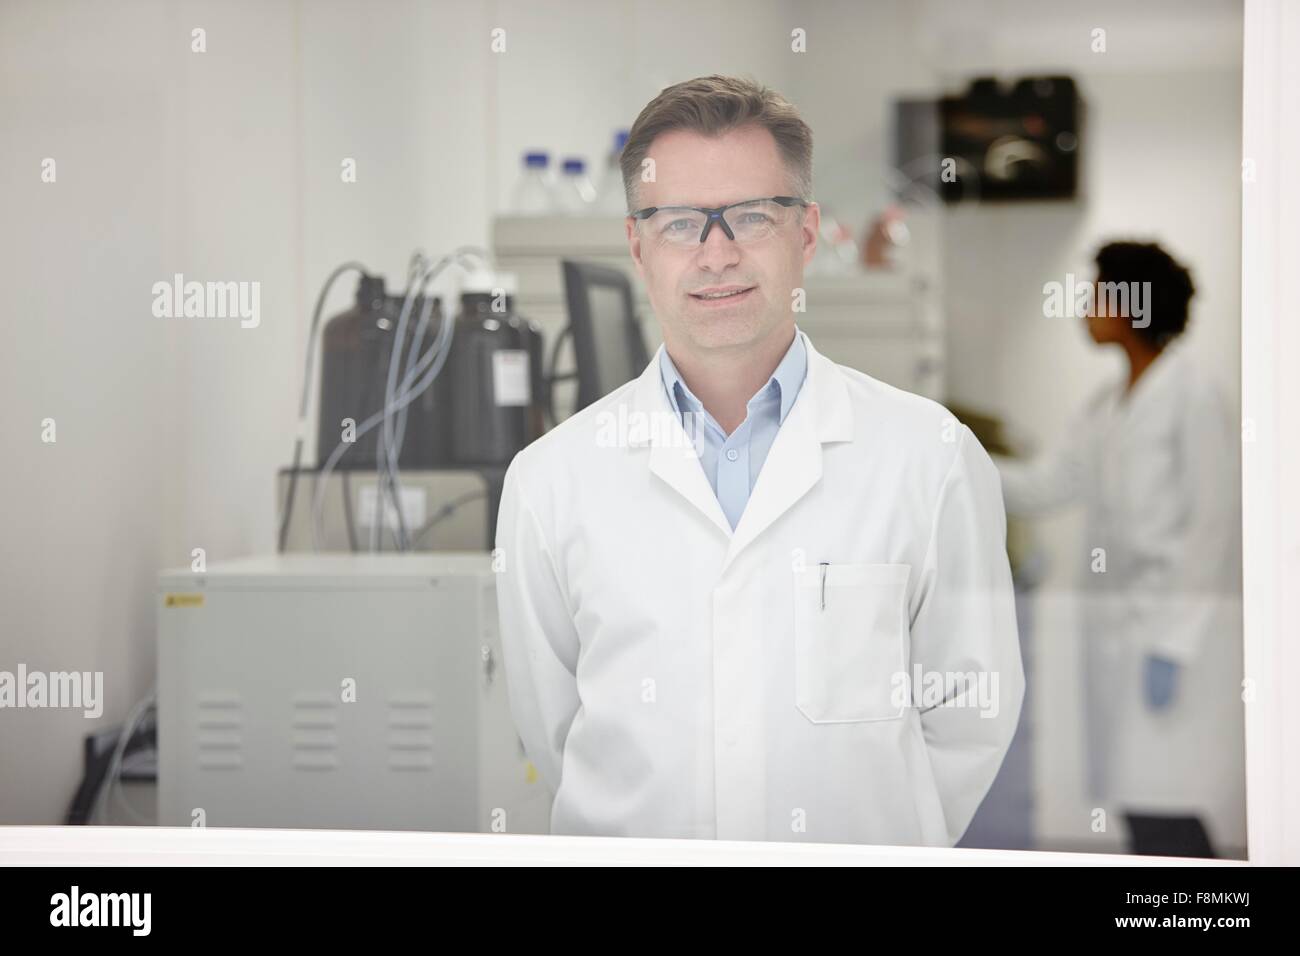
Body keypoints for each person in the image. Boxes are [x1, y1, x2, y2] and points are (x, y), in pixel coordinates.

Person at [494, 75, 1023, 846]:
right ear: (637, 245)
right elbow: (554, 725)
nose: (717, 253)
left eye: (750, 217)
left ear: (805, 234)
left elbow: (971, 714)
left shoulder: (928, 457)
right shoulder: (550, 481)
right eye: (679, 224)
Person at [995, 241, 1246, 856]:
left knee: (1168, 805)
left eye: (1098, 292)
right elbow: (1047, 483)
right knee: (1141, 804)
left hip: (1173, 640)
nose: (1085, 306)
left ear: (1135, 304)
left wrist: (1173, 641)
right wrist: (951, 452)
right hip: (1118, 636)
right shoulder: (1107, 406)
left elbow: (1212, 527)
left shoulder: (1192, 393)